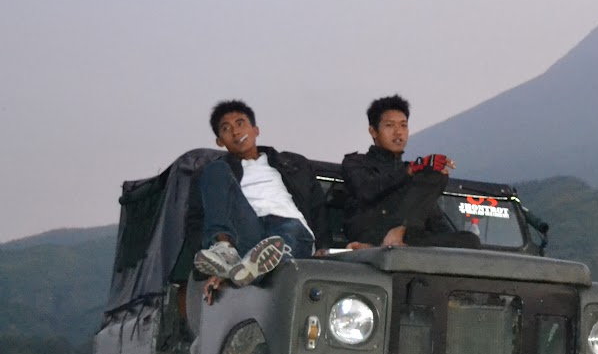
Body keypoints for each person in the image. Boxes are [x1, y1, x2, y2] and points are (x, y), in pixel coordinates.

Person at [193, 100, 328, 302]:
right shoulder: (221, 173)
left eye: (240, 124)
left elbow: (318, 207)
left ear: (256, 130)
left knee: (279, 258)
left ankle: (246, 271)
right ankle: (227, 253)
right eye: (226, 129)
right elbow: (200, 218)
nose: (236, 132)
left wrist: (325, 248)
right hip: (251, 235)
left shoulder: (292, 163)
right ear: (220, 141)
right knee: (214, 169)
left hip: (288, 226)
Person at [341, 94, 480, 249]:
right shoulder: (355, 163)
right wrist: (410, 170)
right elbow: (367, 191)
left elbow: (435, 220)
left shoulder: (416, 175)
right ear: (373, 131)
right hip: (373, 231)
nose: (398, 132)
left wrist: (452, 241)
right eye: (390, 125)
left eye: (403, 125)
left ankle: (398, 236)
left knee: (470, 240)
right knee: (429, 175)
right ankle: (387, 239)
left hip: (408, 237)